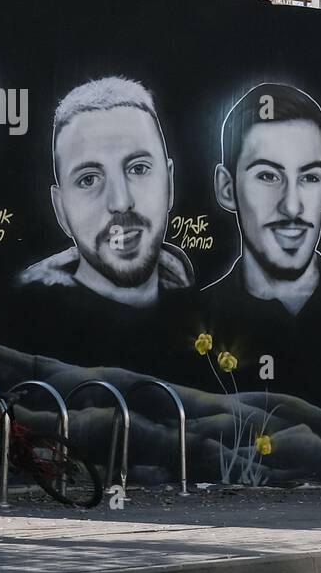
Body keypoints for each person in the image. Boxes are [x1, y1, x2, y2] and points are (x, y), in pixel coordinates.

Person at [15, 76, 196, 374]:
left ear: (170, 184)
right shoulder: (26, 329)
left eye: (138, 169)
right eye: (88, 179)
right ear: (61, 210)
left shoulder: (197, 308)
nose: (121, 202)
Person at [199, 83, 321, 415]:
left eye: (309, 178)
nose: (293, 206)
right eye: (269, 176)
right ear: (226, 188)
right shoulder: (197, 320)